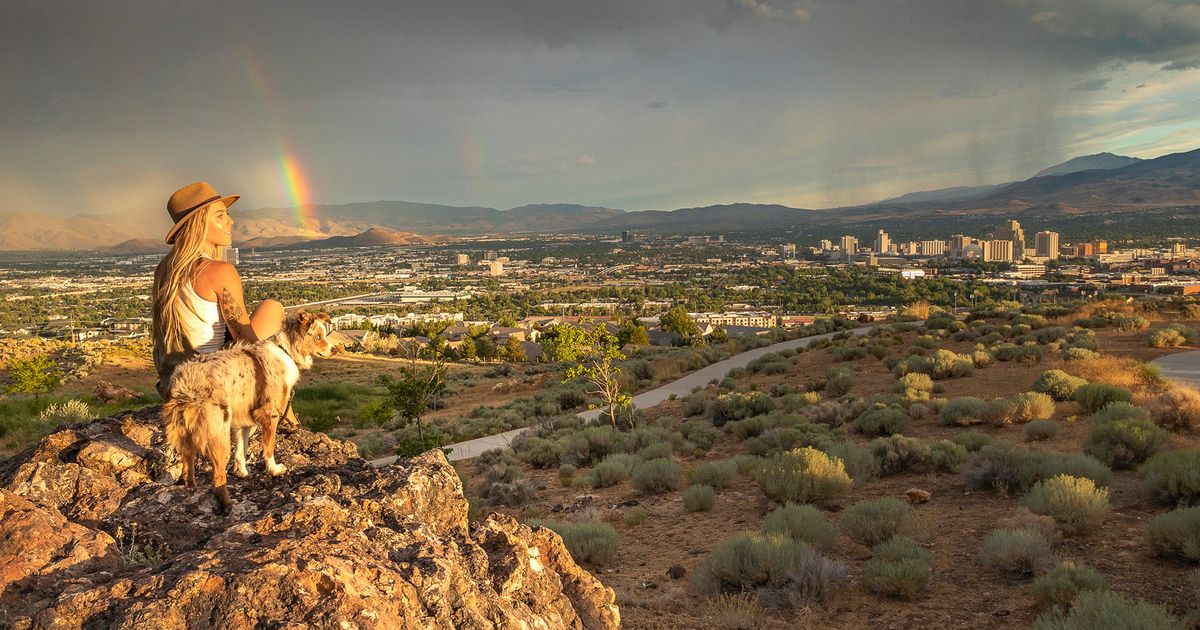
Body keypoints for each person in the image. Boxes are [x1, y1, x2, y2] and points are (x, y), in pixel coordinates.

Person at [152, 182, 285, 397]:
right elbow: (247, 341)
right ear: (199, 223)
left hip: (175, 384)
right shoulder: (219, 271)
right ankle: (279, 413)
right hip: (212, 383)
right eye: (220, 216)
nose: (231, 221)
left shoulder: (165, 269)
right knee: (272, 309)